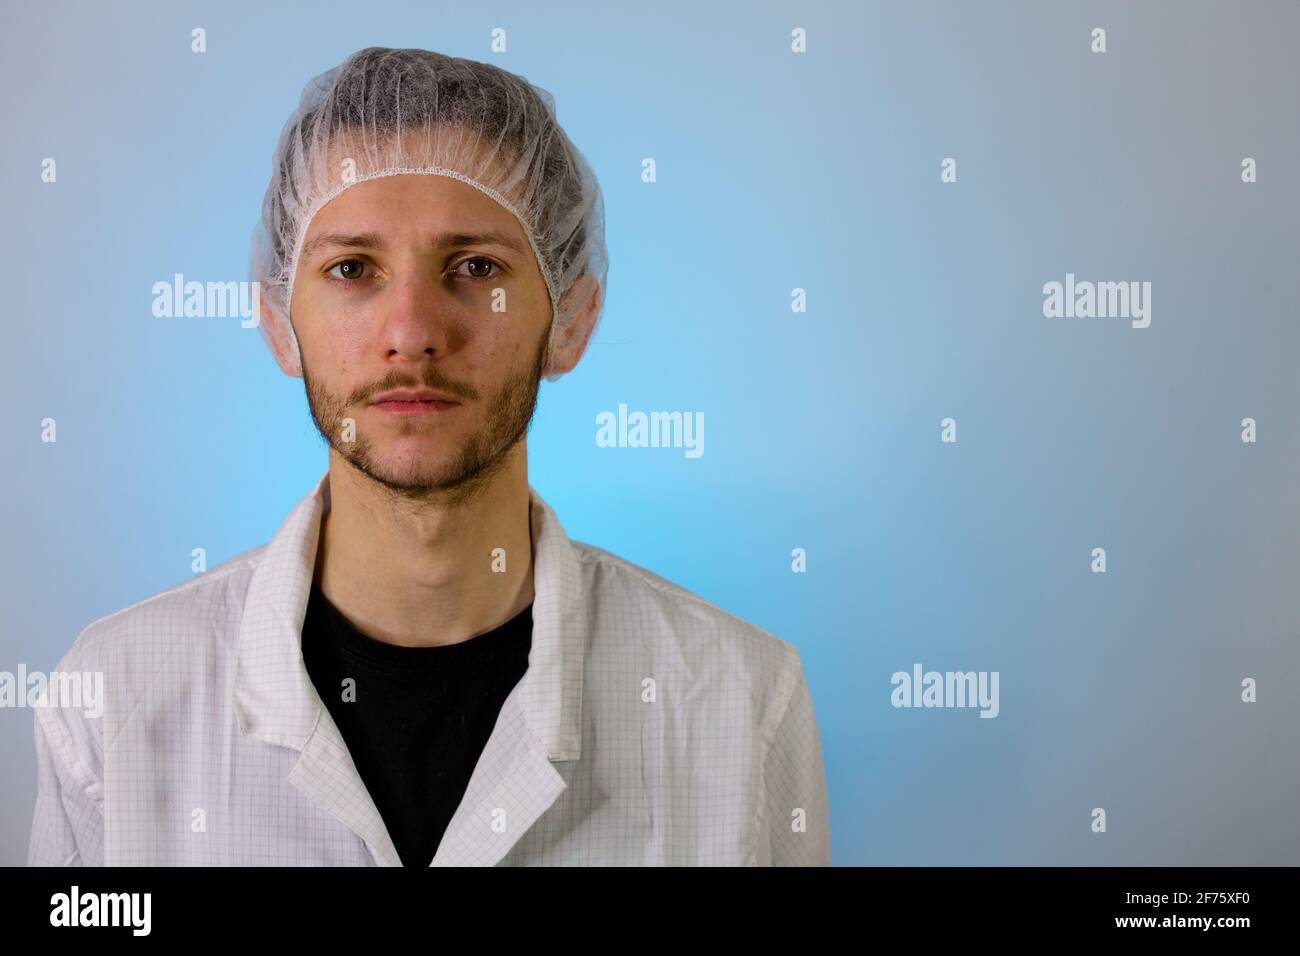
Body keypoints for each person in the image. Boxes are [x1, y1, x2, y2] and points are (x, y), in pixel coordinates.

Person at [27, 47, 830, 866]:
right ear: (277, 320)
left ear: (572, 318)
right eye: (352, 268)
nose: (412, 332)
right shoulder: (117, 703)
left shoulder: (735, 703)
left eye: (475, 267)